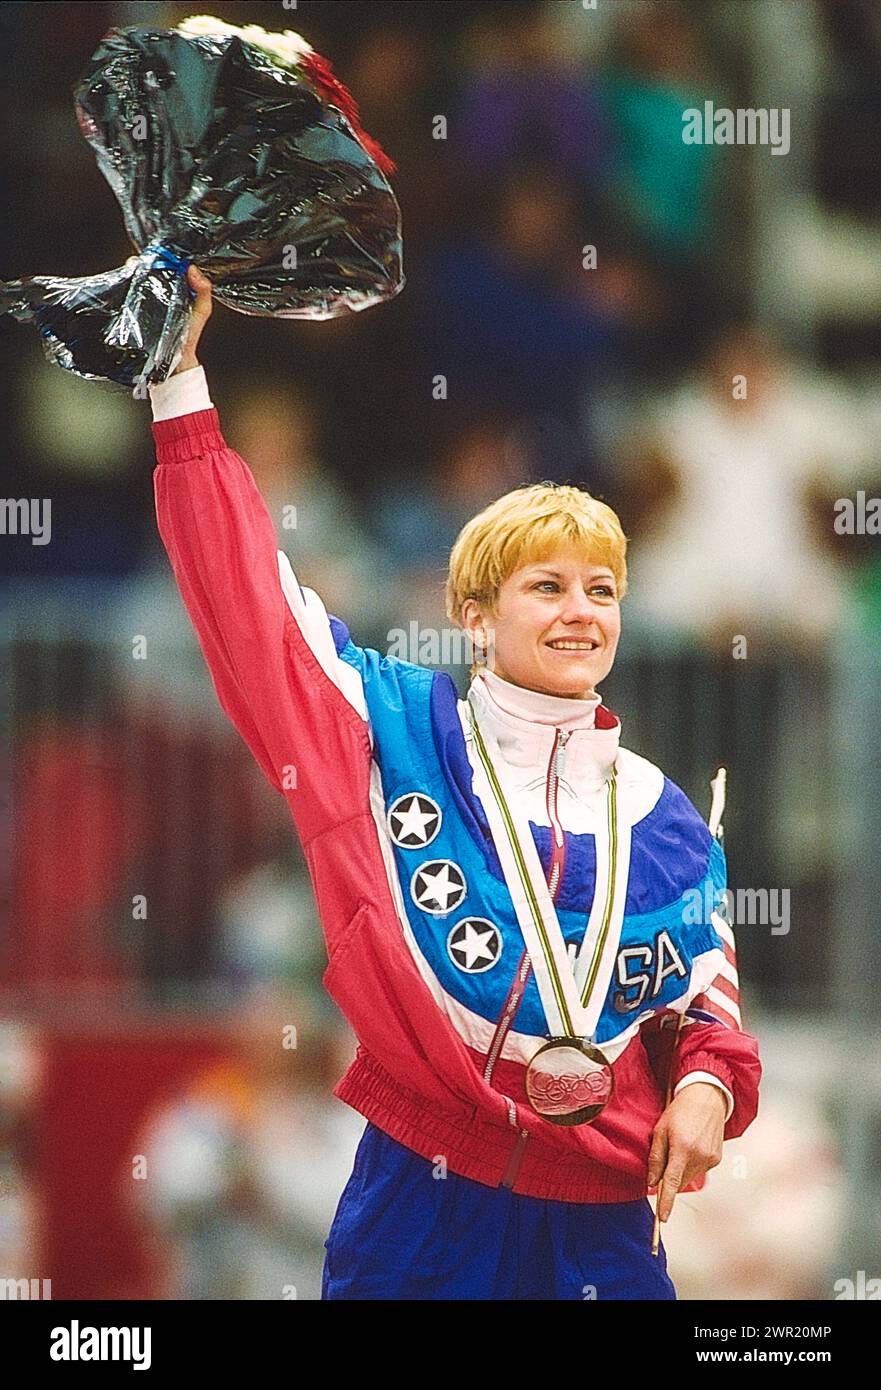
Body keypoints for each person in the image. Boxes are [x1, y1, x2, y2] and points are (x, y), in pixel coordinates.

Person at [146, 265, 761, 1300]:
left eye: (601, 588)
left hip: (600, 1223)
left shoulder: (661, 816)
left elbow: (703, 1007)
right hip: (422, 1204)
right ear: (474, 616)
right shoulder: (387, 732)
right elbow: (247, 606)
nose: (580, 610)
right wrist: (177, 386)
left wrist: (703, 1087)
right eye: (546, 585)